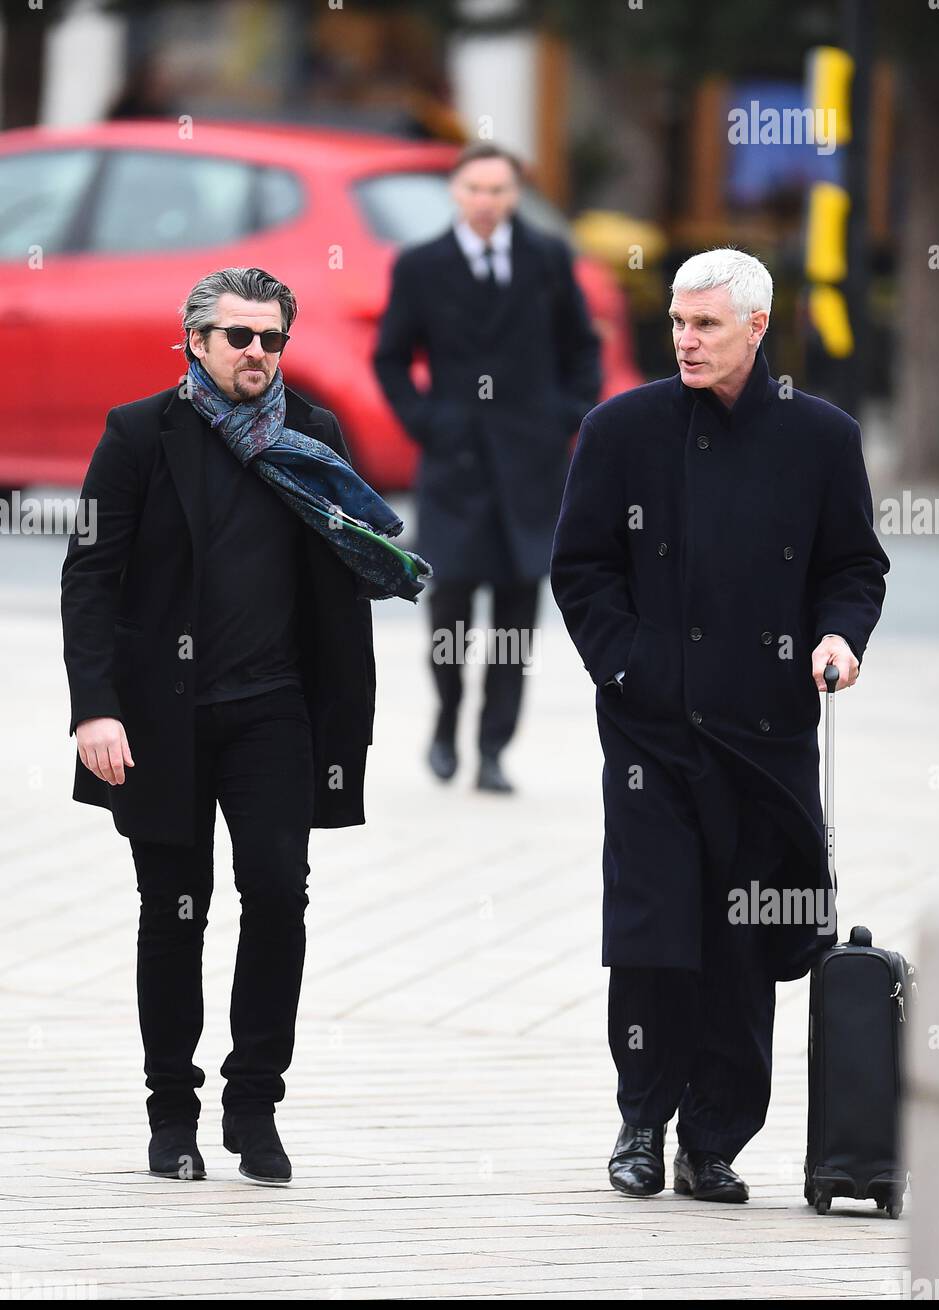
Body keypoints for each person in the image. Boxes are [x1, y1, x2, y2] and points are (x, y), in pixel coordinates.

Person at [550, 247, 890, 1202]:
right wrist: (631, 667)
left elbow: (852, 567)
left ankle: (715, 1141)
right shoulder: (620, 428)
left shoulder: (820, 437)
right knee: (654, 930)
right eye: (675, 322)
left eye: (704, 324)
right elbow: (579, 569)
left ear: (757, 328)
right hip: (650, 732)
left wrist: (838, 637)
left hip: (769, 733)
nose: (684, 340)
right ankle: (640, 1124)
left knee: (746, 941)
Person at [61, 267, 377, 1186]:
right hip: (159, 717)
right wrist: (95, 707)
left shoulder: (312, 435)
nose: (255, 354)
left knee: (278, 894)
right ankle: (171, 1112)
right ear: (194, 341)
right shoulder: (137, 434)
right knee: (173, 910)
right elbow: (90, 575)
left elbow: (343, 572)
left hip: (275, 710)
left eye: (271, 339)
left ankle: (254, 1104)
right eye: (237, 337)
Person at [373, 140, 602, 792]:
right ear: (454, 191)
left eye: (499, 190)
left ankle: (494, 748)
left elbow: (581, 347)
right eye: (475, 188)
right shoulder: (421, 266)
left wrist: (567, 416)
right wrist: (427, 423)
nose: (486, 201)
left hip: (531, 466)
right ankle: (446, 723)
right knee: (446, 607)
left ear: (515, 194)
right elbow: (390, 358)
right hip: (454, 466)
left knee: (515, 617)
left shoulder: (548, 257)